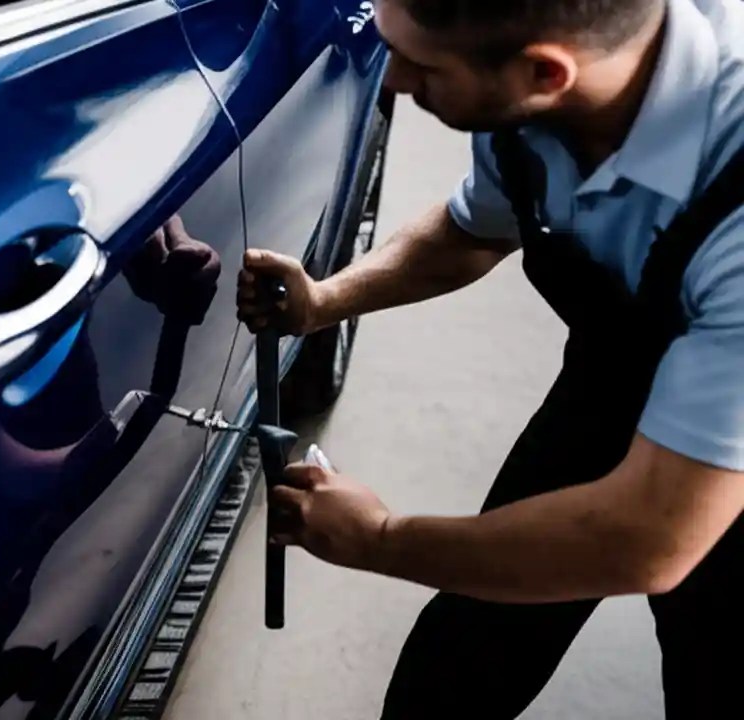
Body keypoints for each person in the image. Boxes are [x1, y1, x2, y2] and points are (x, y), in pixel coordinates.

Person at [236, 0, 744, 716]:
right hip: (614, 381)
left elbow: (651, 538)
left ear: (544, 73)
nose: (395, 81)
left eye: (423, 66)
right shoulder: (532, 99)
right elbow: (472, 231)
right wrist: (323, 302)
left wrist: (382, 539)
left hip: (723, 472)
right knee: (455, 668)